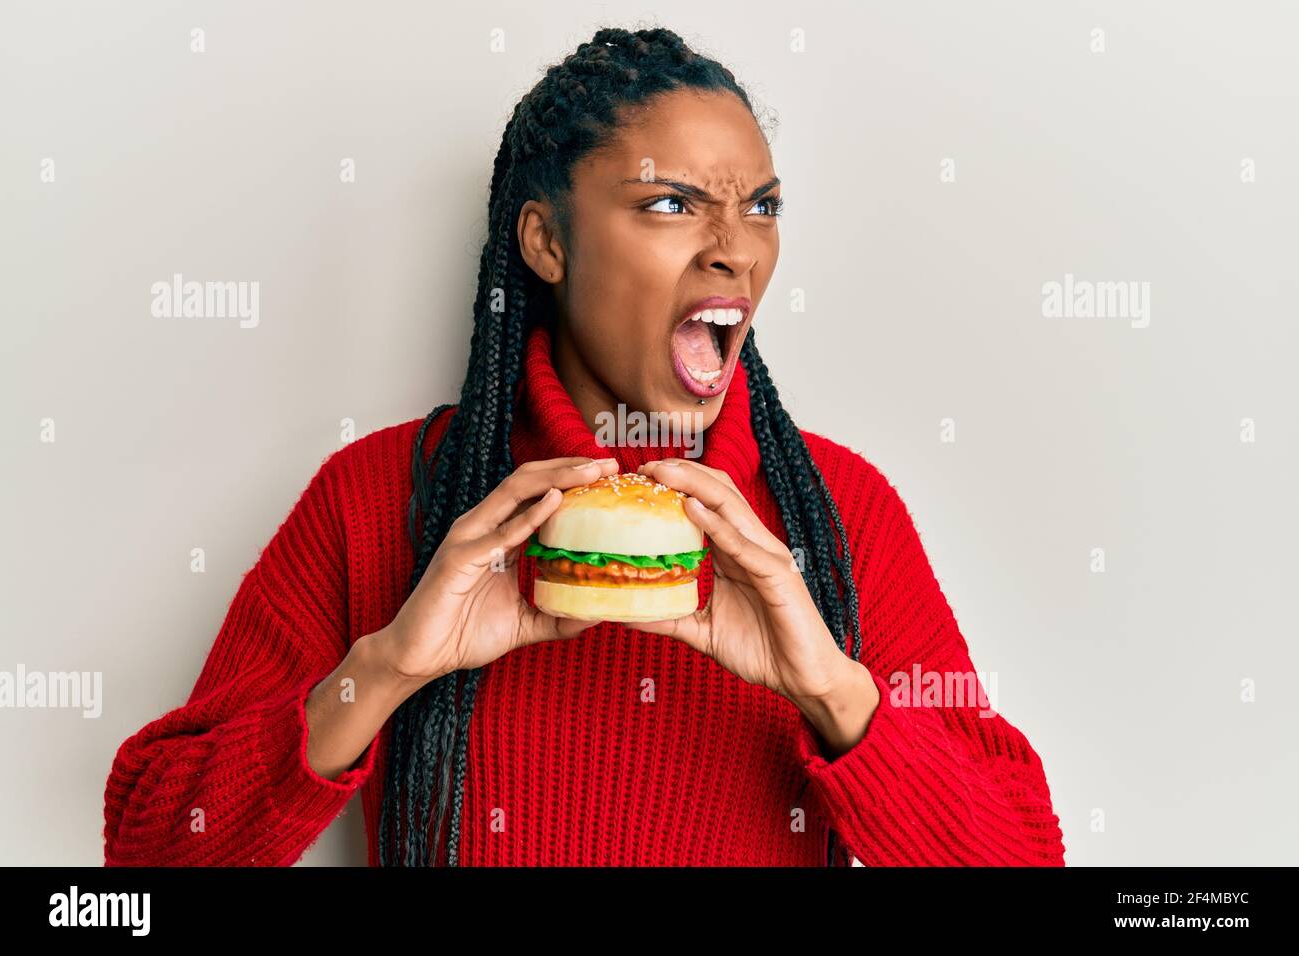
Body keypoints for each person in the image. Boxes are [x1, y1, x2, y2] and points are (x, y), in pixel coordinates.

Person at [103, 26, 1067, 867]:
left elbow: (1023, 857)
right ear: (546, 243)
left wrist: (831, 688)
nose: (736, 246)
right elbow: (150, 847)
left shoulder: (840, 511)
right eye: (670, 205)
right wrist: (388, 666)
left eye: (762, 207)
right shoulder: (384, 498)